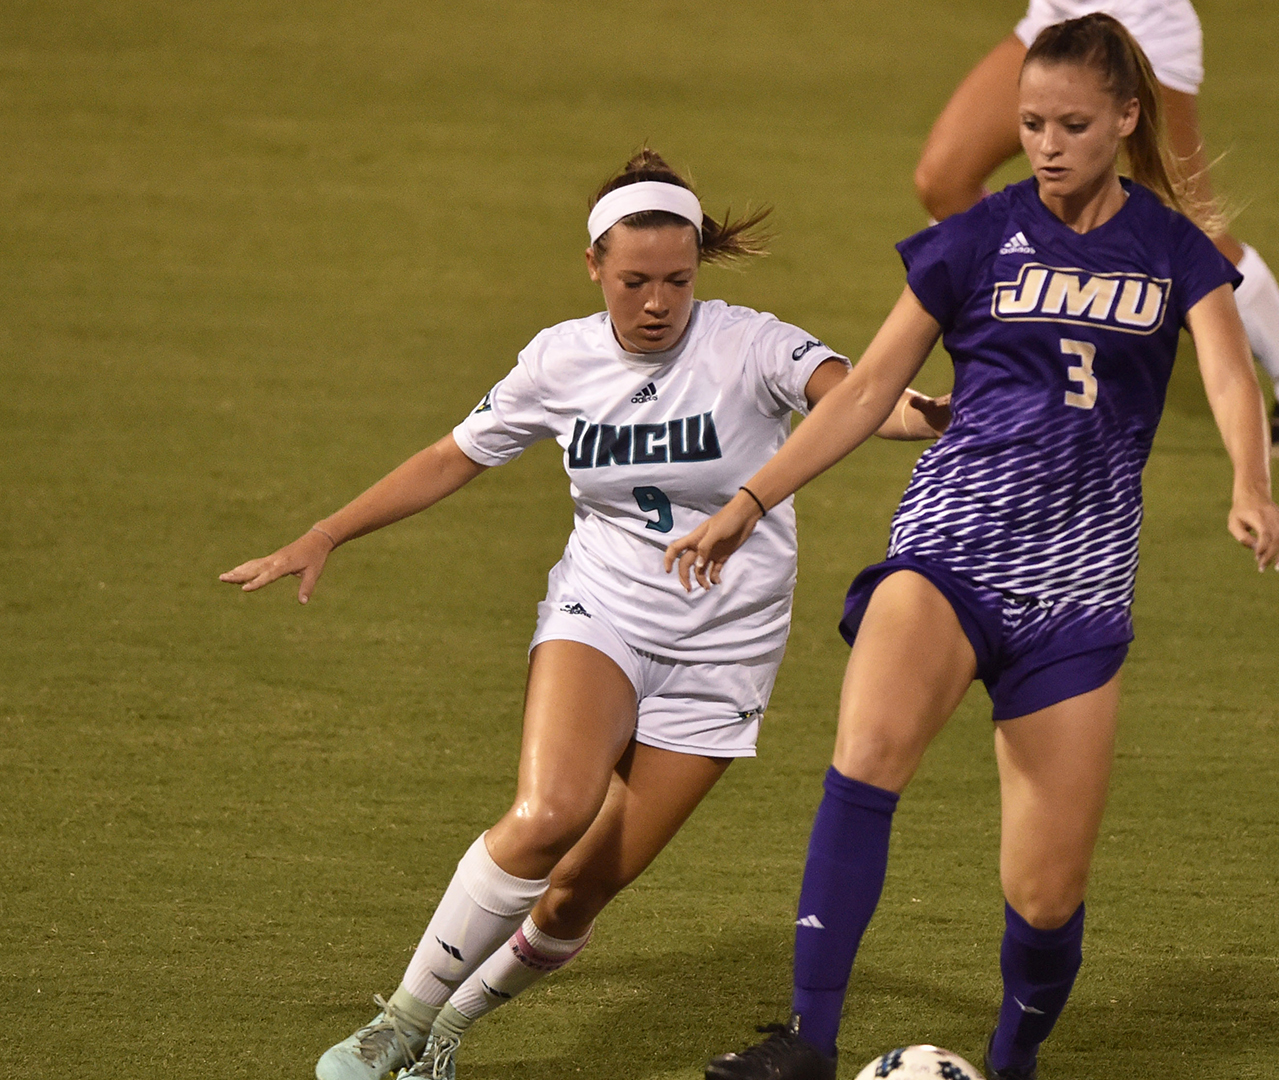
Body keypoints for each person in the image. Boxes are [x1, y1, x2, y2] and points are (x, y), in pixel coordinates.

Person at [672, 16, 1279, 1080]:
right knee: (865, 756)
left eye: (1070, 124)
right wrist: (753, 495)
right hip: (948, 549)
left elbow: (1232, 374)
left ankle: (1012, 1064)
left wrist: (1251, 486)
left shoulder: (1169, 246)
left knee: (1046, 896)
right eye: (1029, 124)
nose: (1046, 145)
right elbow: (871, 386)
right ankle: (807, 1043)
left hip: (1079, 593)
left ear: (1125, 120)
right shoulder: (978, 237)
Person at [218, 149, 946, 1080]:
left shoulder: (748, 343)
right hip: (600, 611)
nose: (657, 302)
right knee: (549, 809)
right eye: (634, 280)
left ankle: (450, 1029)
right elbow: (455, 455)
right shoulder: (558, 359)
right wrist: (327, 532)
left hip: (726, 651)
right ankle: (398, 1024)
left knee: (577, 895)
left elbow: (856, 398)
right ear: (594, 265)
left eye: (677, 280)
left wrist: (929, 414)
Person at [913, 0, 1279, 459]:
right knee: (944, 180)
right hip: (1057, 25)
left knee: (1191, 228)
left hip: (1139, 29)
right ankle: (1023, 343)